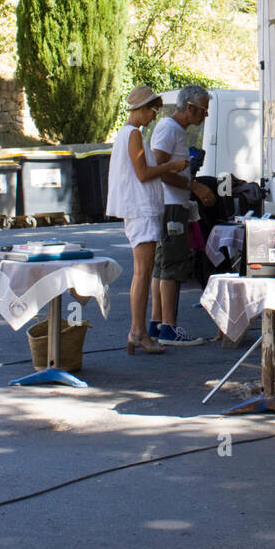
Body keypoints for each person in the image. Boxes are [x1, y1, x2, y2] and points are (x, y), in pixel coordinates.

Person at [106, 86, 190, 354]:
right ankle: (138, 331)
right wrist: (170, 167)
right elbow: (143, 173)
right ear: (141, 109)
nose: (154, 116)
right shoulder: (132, 135)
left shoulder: (127, 134)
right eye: (153, 110)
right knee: (143, 272)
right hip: (140, 209)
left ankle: (138, 330)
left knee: (142, 272)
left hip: (139, 208)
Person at [148, 85, 216, 345]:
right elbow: (159, 168)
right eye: (203, 111)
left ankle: (158, 322)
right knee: (173, 265)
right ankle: (168, 326)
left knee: (163, 264)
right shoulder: (168, 129)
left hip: (174, 204)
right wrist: (193, 186)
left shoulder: (173, 130)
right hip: (171, 205)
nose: (204, 117)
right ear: (190, 108)